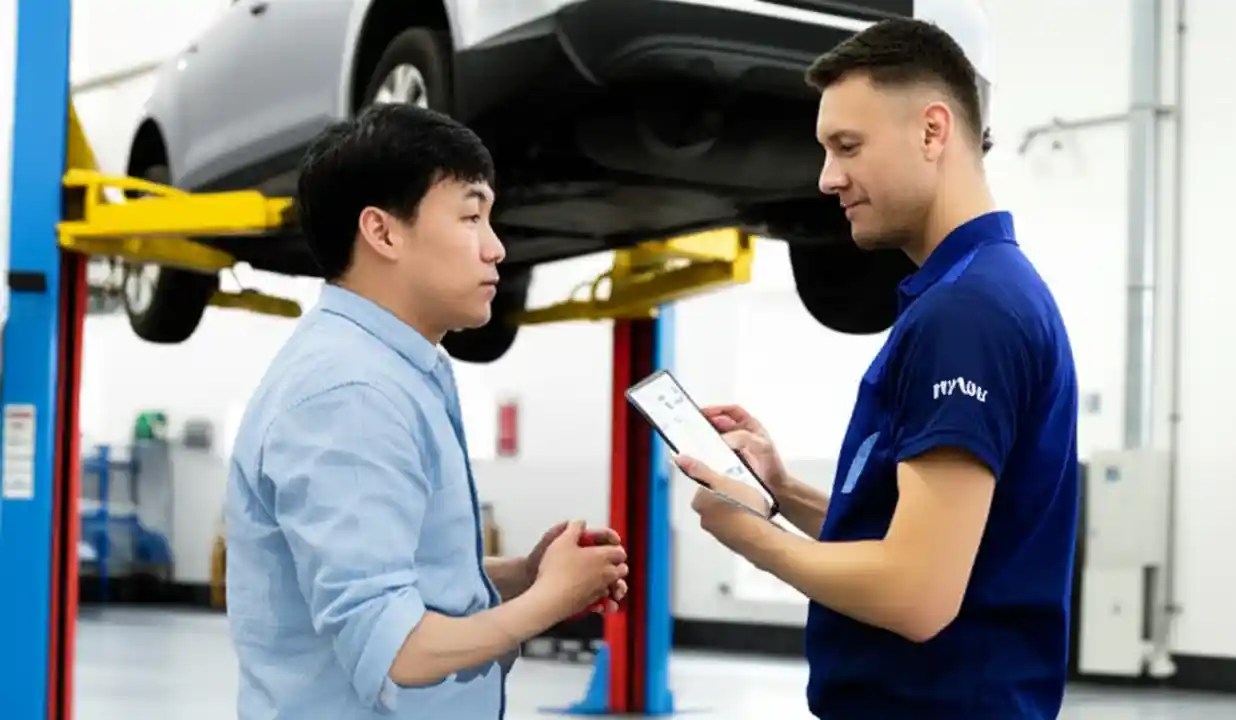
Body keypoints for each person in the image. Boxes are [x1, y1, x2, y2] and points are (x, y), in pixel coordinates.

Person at [676, 15, 1080, 720]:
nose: (828, 178)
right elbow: (932, 540)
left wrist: (750, 538)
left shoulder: (967, 315)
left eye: (847, 146)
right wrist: (784, 494)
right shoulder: (982, 292)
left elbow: (915, 593)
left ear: (931, 132)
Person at [223, 103, 628, 720]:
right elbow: (397, 653)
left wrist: (522, 574)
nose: (496, 248)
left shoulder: (395, 370)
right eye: (471, 217)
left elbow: (394, 573)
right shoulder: (348, 395)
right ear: (383, 232)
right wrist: (547, 601)